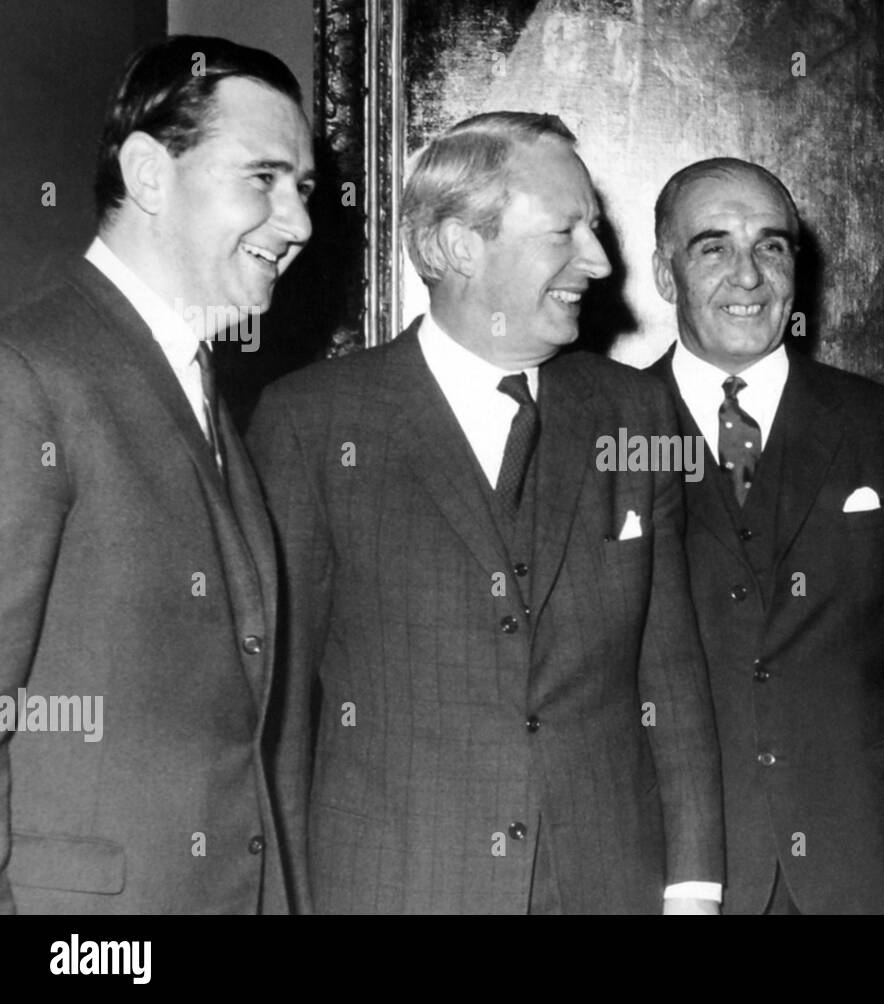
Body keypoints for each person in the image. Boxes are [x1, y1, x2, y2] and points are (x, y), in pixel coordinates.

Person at [247, 112, 724, 914]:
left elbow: (670, 671)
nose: (599, 262)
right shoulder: (312, 424)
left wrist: (695, 890)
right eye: (565, 232)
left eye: (596, 230)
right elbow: (280, 709)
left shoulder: (635, 414)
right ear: (457, 247)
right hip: (394, 886)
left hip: (606, 886)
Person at [0, 35, 314, 913]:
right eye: (263, 178)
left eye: (304, 188)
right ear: (148, 175)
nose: (298, 223)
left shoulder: (200, 382)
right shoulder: (27, 375)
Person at [647, 158, 884, 914]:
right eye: (714, 247)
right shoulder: (609, 428)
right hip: (678, 867)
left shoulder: (883, 426)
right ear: (667, 275)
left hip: (862, 854)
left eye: (772, 246)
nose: (748, 276)